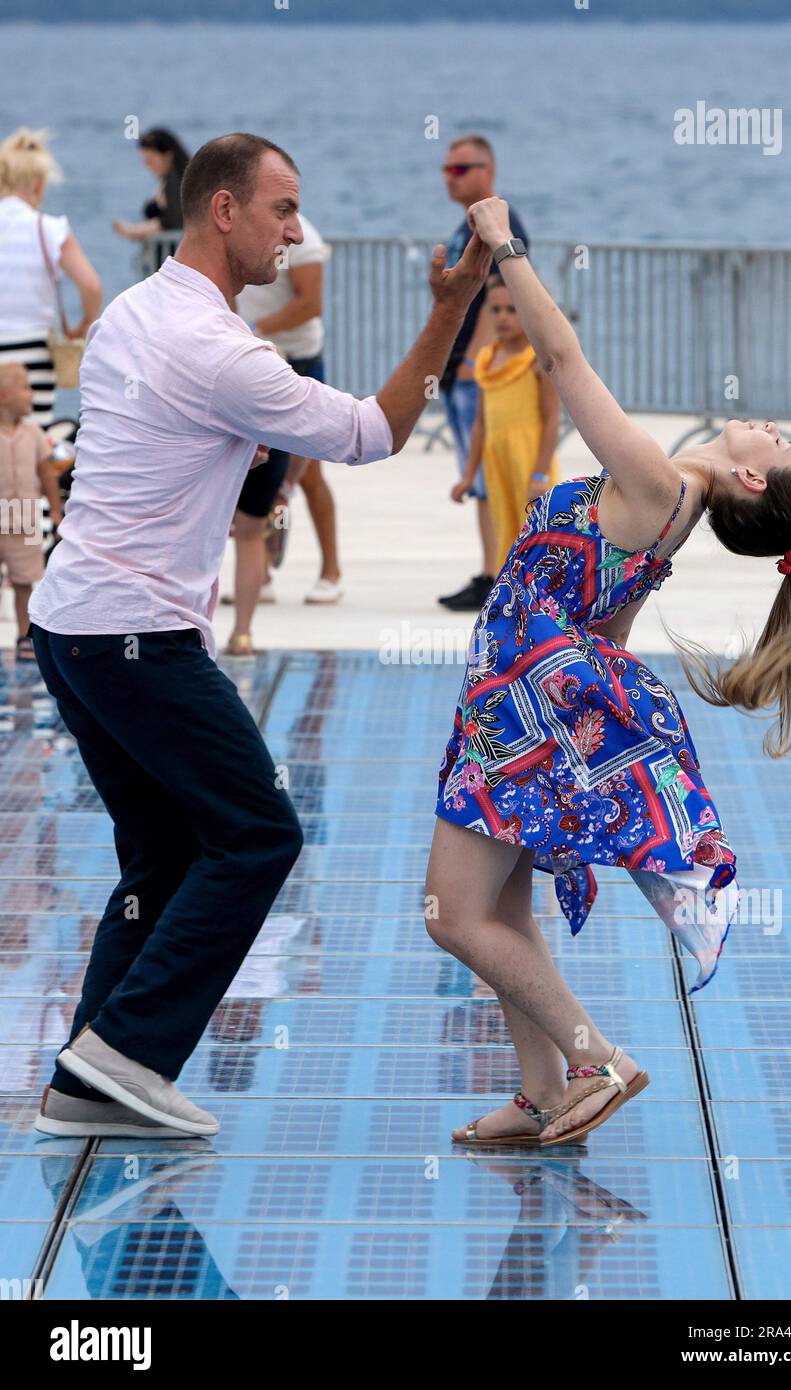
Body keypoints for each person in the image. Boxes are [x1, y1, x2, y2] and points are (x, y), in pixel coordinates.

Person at [28, 131, 491, 1140]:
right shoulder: (222, 352)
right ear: (224, 211)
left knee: (162, 853)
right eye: (283, 208)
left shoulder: (133, 312)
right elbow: (373, 431)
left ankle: (87, 1081)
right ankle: (124, 1052)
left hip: (70, 627)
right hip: (138, 634)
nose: (295, 229)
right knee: (258, 834)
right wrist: (450, 307)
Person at [426, 195, 791, 1149]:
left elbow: (563, 361)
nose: (772, 424)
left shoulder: (658, 482)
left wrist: (505, 246)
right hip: (521, 706)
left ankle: (596, 1059)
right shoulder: (671, 516)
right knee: (498, 911)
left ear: (754, 480)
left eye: (781, 441)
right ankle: (541, 1094)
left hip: (521, 712)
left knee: (451, 914)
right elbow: (604, 626)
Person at [223, 209, 335, 655]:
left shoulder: (304, 238)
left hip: (298, 357)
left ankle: (331, 571)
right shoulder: (243, 231)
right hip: (255, 356)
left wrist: (257, 330)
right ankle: (262, 575)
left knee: (309, 475)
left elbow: (311, 303)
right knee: (255, 480)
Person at [437, 134, 530, 611]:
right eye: (446, 170)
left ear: (486, 171)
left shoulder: (500, 225)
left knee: (489, 475)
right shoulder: (468, 225)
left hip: (476, 372)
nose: (450, 178)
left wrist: (476, 363)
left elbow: (500, 292)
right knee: (479, 479)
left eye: (460, 169)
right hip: (458, 367)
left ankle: (499, 575)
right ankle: (491, 570)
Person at [451, 274, 560, 572]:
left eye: (512, 310)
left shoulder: (537, 360)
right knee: (505, 532)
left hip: (528, 459)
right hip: (496, 461)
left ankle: (538, 591)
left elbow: (552, 419)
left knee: (534, 534)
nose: (502, 317)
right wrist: (469, 476)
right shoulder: (487, 358)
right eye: (495, 310)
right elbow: (480, 424)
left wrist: (539, 473)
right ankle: (508, 589)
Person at [0, 127, 102, 425]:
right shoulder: (48, 228)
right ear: (39, 183)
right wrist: (83, 325)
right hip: (34, 351)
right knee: (33, 438)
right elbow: (92, 287)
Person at [0, 362, 62, 659]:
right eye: (25, 388)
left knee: (25, 582)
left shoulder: (34, 433)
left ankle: (24, 635)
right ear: (3, 396)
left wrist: (56, 511)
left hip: (26, 521)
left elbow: (47, 474)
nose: (31, 394)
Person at [112, 126, 189, 242]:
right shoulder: (173, 181)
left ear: (168, 156)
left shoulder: (175, 181)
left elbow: (172, 222)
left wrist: (132, 231)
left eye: (150, 161)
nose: (148, 166)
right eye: (145, 161)